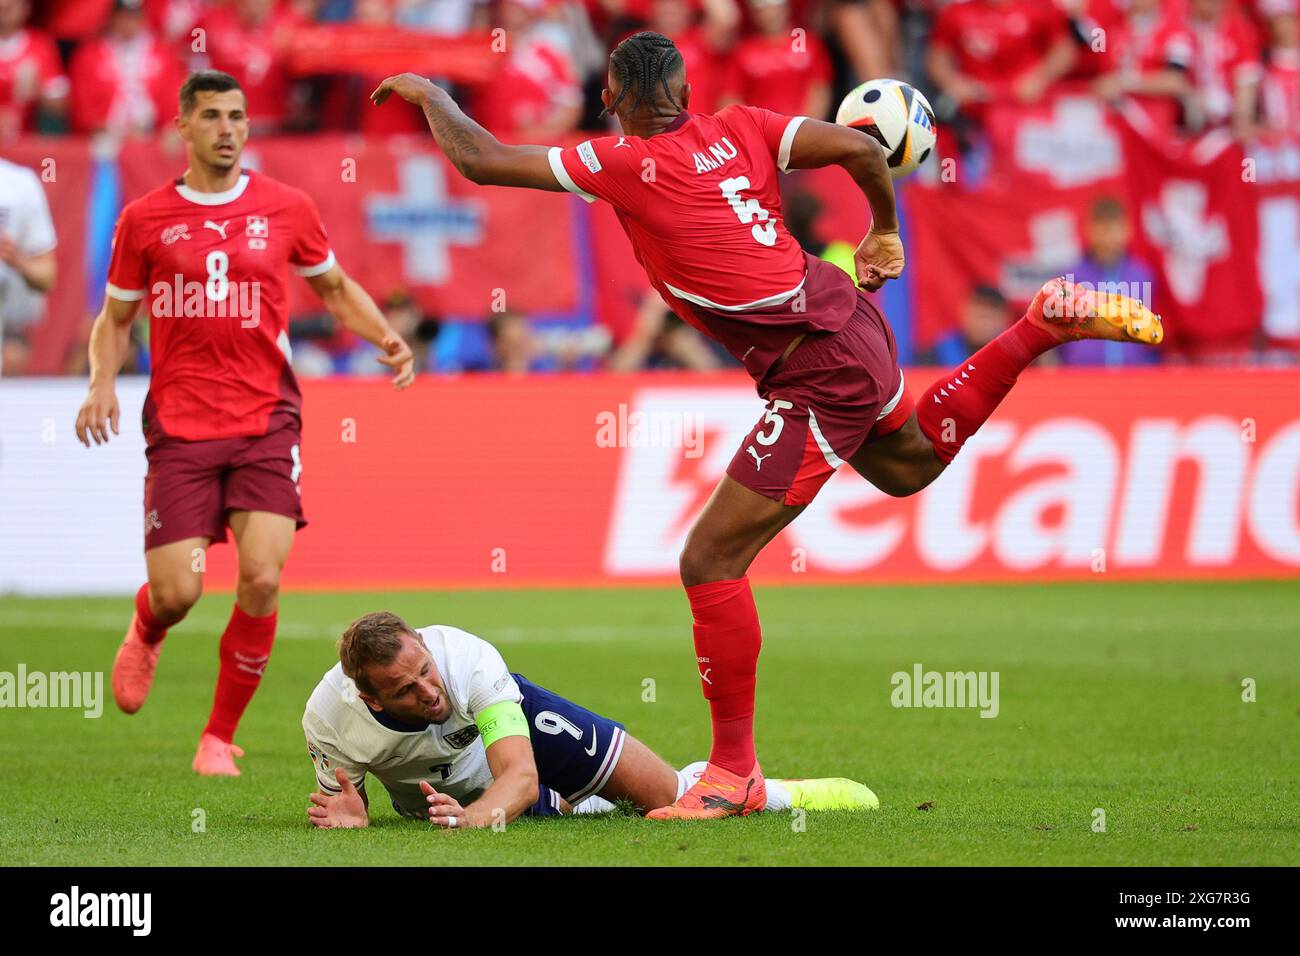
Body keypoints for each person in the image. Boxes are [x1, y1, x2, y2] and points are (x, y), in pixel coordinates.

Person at [370, 31, 1162, 819]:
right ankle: (1041, 326)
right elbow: (860, 148)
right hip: (847, 317)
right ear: (684, 91)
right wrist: (885, 230)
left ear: (613, 98)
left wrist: (429, 92)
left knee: (709, 559)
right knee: (909, 466)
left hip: (818, 366)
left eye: (607, 94)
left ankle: (732, 774)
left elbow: (478, 158)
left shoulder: (616, 163)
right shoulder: (743, 125)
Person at [73, 70, 416, 777]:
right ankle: (148, 626)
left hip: (267, 421)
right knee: (179, 591)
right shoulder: (144, 220)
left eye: (237, 116)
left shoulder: (286, 207)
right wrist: (101, 384)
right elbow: (115, 318)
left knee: (261, 577)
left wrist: (383, 336)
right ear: (184, 127)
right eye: (212, 117)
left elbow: (333, 285)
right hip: (180, 425)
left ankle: (217, 737)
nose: (227, 129)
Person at [303, 611, 878, 828]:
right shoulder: (328, 720)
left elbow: (520, 779)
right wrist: (351, 813)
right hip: (454, 789)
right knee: (554, 810)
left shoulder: (467, 661)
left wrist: (476, 819)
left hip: (511, 749)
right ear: (371, 700)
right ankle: (585, 801)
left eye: (426, 669)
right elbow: (346, 803)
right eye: (406, 689)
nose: (431, 692)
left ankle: (775, 795)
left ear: (426, 646)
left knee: (666, 796)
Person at [1056, 198, 1160, 368]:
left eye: (1113, 228)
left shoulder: (1143, 275)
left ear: (1128, 229)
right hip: (1081, 375)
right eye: (1101, 228)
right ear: (1089, 230)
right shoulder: (1070, 278)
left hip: (1134, 375)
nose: (1107, 236)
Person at [0, 154, 57, 376]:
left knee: (13, 356)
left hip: (8, 318)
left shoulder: (19, 184)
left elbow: (47, 276)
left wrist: (17, 260)